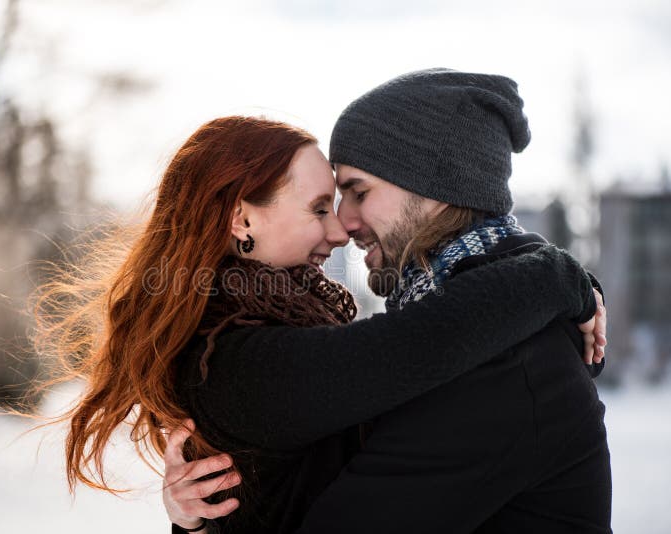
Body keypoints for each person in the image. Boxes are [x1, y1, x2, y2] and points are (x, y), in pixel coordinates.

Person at [161, 70, 611, 533]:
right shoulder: (234, 351)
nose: (342, 225)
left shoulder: (502, 360)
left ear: (438, 186)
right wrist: (552, 275)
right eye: (323, 205)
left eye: (358, 192)